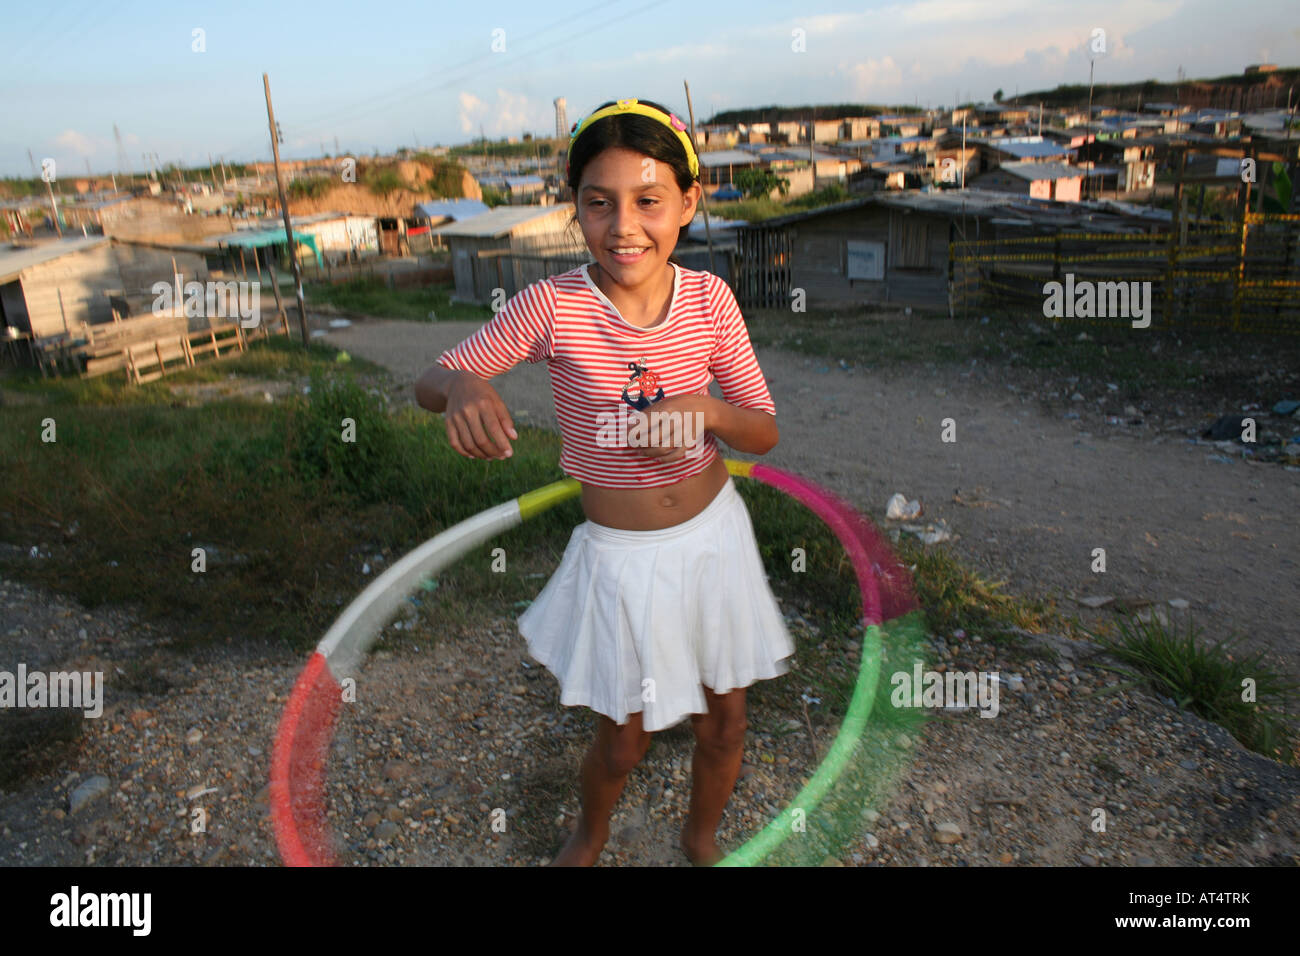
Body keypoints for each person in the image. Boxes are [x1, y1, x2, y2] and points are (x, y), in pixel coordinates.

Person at [414, 98, 794, 866]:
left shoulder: (712, 302)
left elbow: (763, 428)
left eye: (649, 201)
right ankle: (588, 836)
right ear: (576, 209)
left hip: (714, 542)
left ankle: (701, 838)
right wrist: (460, 390)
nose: (624, 226)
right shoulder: (553, 308)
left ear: (688, 202)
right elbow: (434, 376)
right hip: (622, 558)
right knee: (623, 739)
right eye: (599, 202)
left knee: (725, 722)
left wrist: (707, 412)